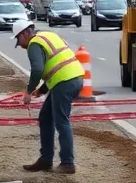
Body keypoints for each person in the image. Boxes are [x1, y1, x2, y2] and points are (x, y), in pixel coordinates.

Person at [11, 20, 84, 174]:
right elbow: (55, 65)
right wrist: (42, 90)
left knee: (61, 121)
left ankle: (67, 163)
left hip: (64, 82)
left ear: (25, 33)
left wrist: (28, 92)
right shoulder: (47, 36)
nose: (19, 44)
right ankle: (45, 160)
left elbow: (37, 70)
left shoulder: (34, 44)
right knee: (45, 117)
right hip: (74, 78)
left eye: (18, 39)